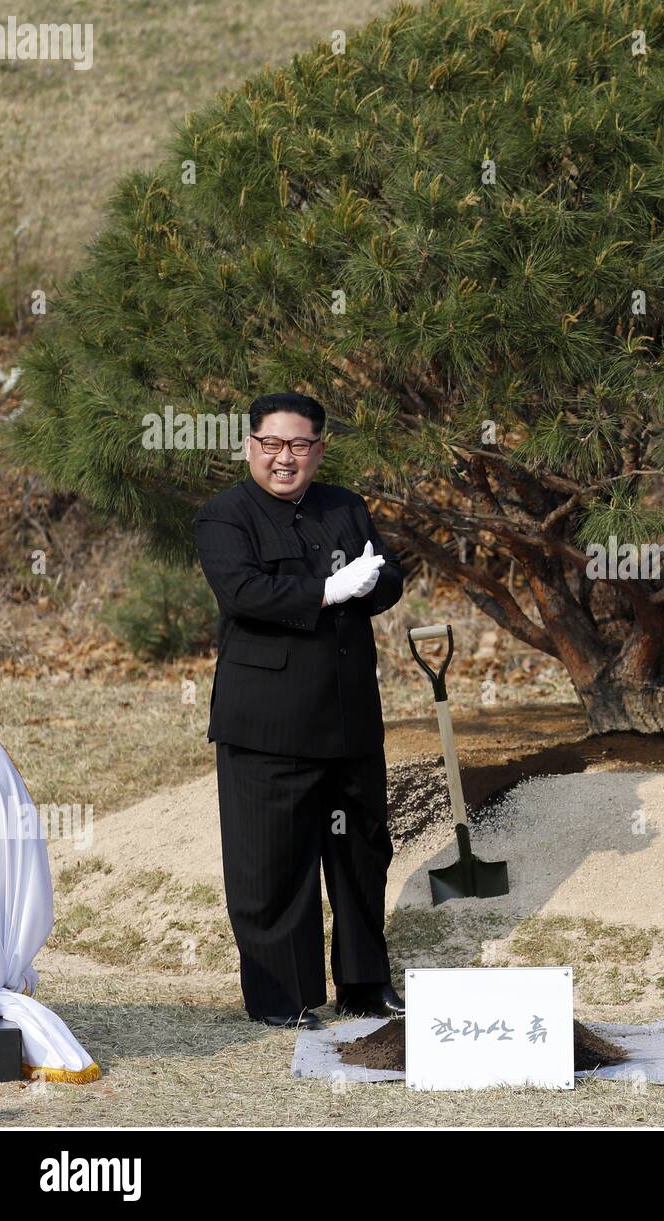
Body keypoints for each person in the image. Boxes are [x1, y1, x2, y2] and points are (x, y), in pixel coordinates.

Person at [195, 392, 406, 1029]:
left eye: (300, 446)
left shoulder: (344, 506)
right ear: (251, 446)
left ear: (319, 448)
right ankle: (281, 998)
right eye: (273, 445)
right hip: (269, 724)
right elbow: (244, 590)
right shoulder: (225, 517)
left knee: (361, 852)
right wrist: (326, 590)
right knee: (272, 863)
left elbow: (389, 573)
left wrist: (373, 582)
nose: (286, 459)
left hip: (346, 717)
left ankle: (366, 985)